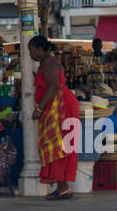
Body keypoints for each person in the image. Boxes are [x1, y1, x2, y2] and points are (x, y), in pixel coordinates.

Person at [29, 35, 80, 199]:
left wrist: (39, 108)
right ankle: (62, 186)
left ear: (39, 49)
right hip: (57, 106)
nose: (30, 54)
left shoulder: (49, 63)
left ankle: (63, 187)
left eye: (31, 51)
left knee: (58, 145)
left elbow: (54, 86)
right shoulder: (45, 63)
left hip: (60, 107)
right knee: (57, 144)